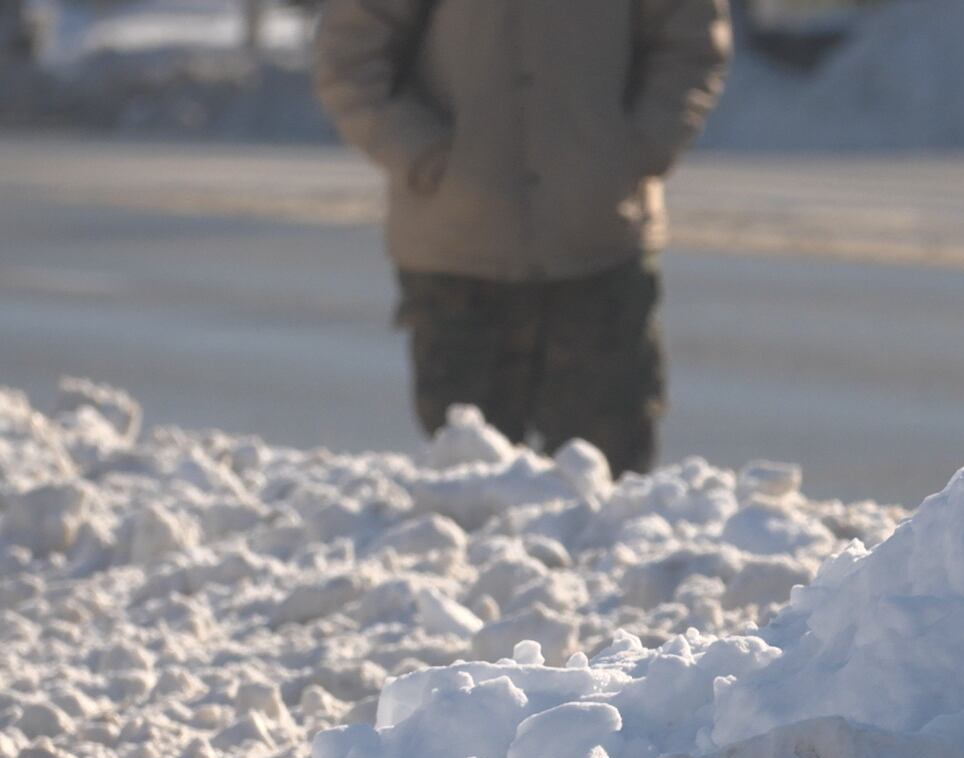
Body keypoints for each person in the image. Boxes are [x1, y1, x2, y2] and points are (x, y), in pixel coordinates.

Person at [313, 0, 731, 476]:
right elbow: (348, 55)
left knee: (611, 493)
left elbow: (689, 42)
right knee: (471, 495)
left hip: (598, 244)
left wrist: (639, 148)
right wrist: (426, 156)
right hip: (456, 255)